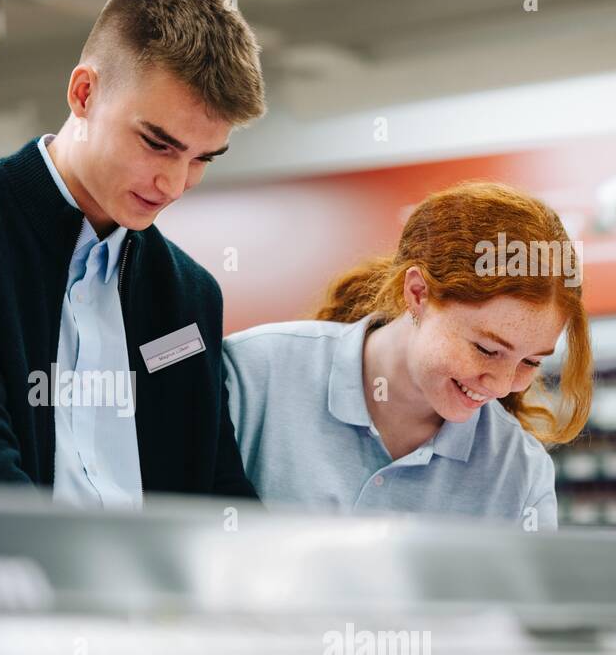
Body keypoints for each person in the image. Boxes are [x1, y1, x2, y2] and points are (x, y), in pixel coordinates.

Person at [0, 0, 265, 506]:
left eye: (202, 159)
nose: (174, 184)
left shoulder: (190, 294)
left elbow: (216, 489)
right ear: (84, 93)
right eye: (157, 144)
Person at [224, 181, 594, 529]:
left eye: (531, 361)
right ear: (418, 294)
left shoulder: (519, 473)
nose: (500, 386)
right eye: (487, 349)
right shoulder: (254, 373)